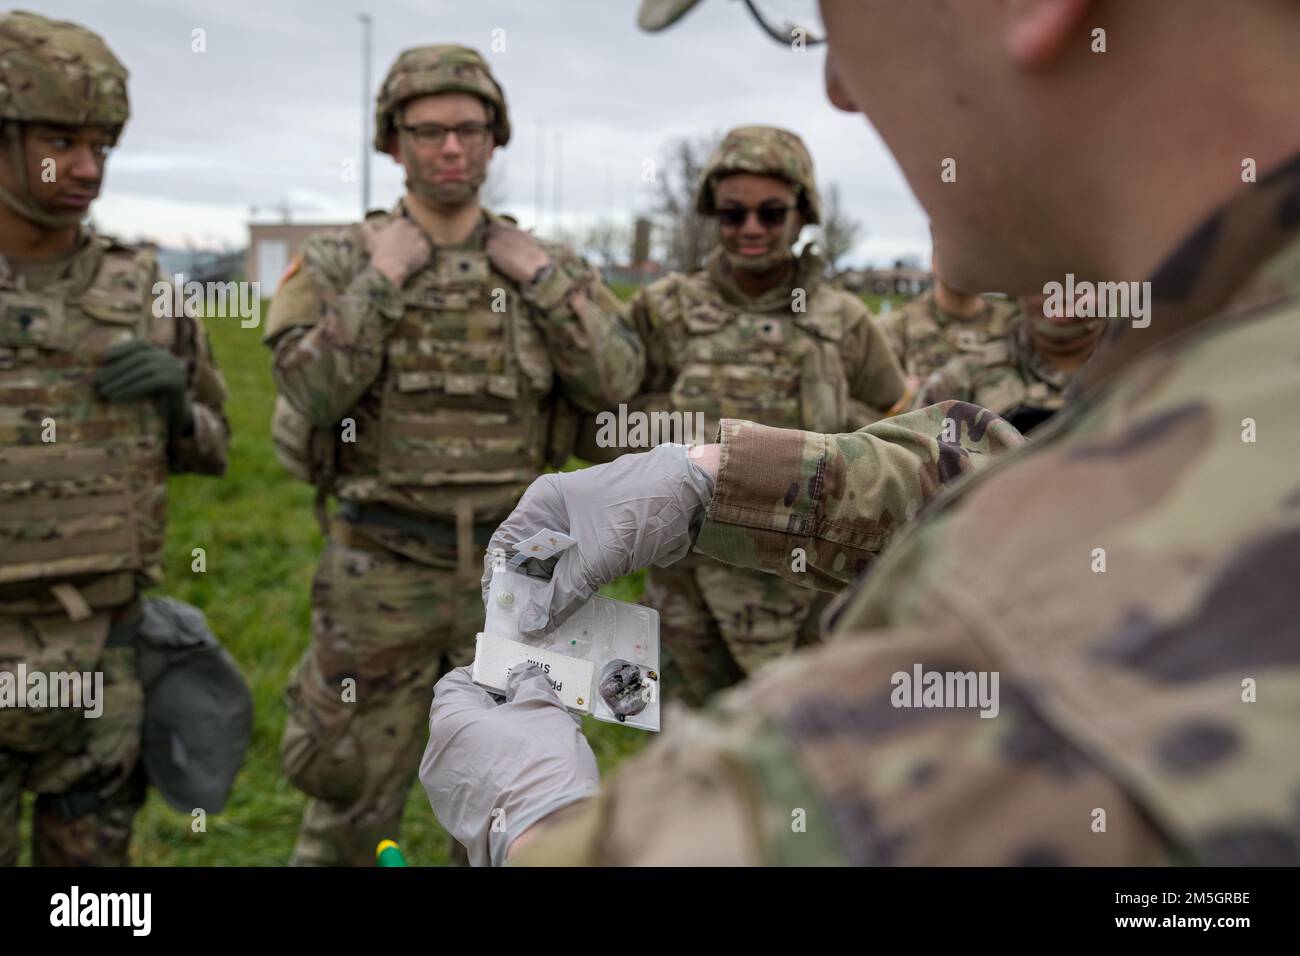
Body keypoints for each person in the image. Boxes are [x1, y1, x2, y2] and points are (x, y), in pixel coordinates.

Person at [421, 0, 1300, 866]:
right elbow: (1034, 466)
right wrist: (712, 477)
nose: (838, 85)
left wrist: (537, 830)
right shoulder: (1226, 342)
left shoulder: (1041, 679)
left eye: (838, 12)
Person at [263, 44, 643, 866]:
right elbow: (310, 392)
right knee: (349, 800)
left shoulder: (548, 265)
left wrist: (541, 278)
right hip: (380, 572)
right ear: (392, 142)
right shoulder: (338, 262)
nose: (450, 148)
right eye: (428, 130)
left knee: (511, 799)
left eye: (469, 130)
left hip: (515, 580)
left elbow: (616, 382)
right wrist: (381, 280)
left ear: (495, 139)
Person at [0, 11, 230, 866]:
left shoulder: (144, 292)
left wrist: (175, 405)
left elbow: (214, 448)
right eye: (63, 140)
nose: (89, 167)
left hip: (101, 667)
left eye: (105, 143)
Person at [590, 125, 907, 704]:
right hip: (689, 581)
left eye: (770, 212)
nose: (752, 229)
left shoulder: (843, 321)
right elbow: (603, 419)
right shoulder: (665, 311)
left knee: (810, 752)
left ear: (802, 213)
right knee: (685, 753)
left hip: (813, 583)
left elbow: (896, 428)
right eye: (733, 214)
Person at [915, 291, 1107, 434]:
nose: (1062, 296)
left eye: (1081, 279)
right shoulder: (960, 379)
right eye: (1045, 278)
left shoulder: (1134, 370)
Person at [877, 251, 1017, 392]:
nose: (965, 262)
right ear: (934, 261)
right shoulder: (896, 326)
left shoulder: (1014, 324)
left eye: (975, 250)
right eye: (956, 251)